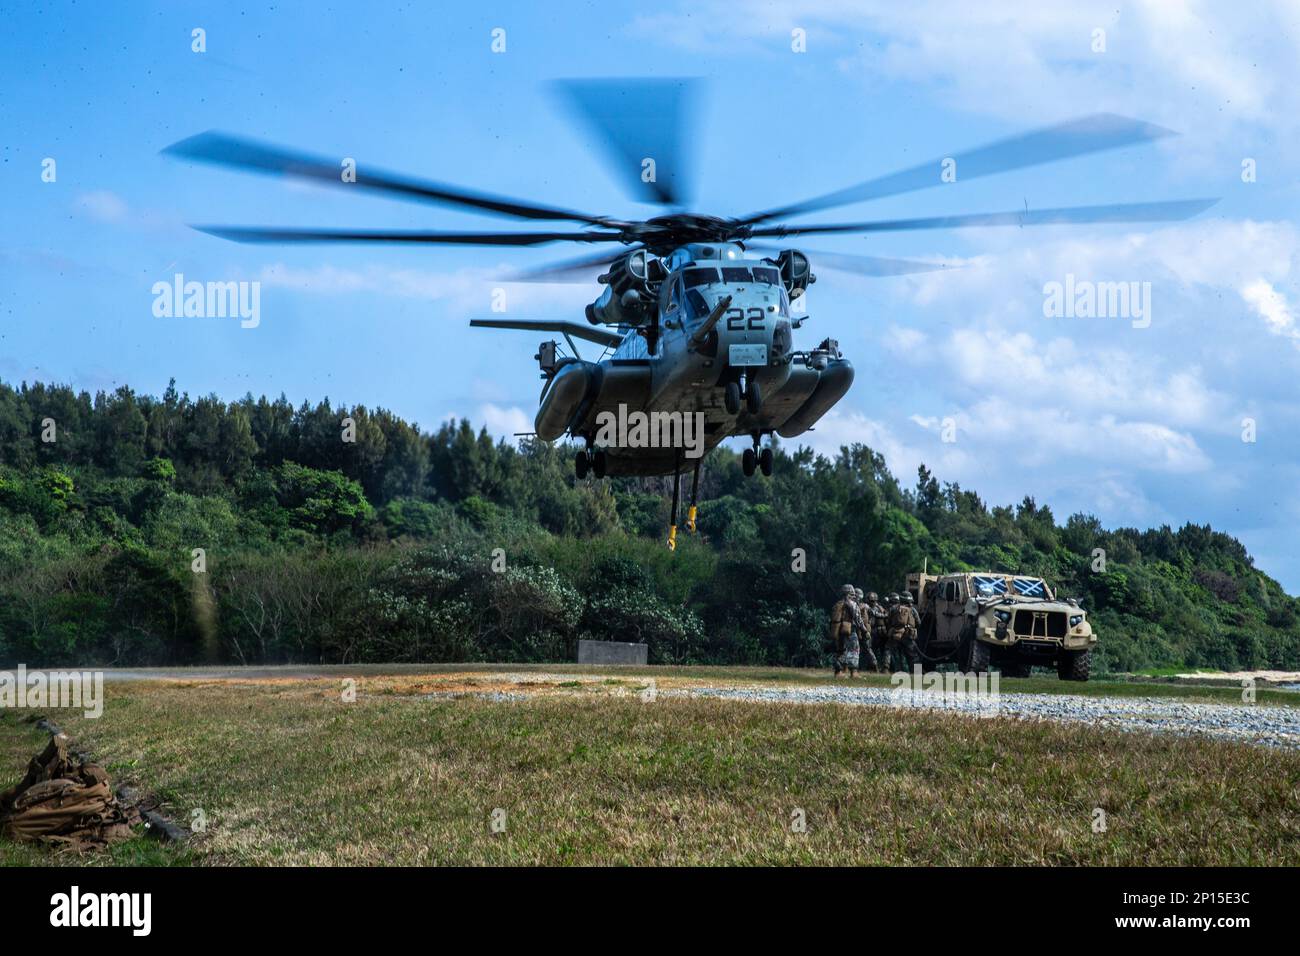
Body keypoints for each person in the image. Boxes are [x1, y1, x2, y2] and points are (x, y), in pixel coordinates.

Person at [828, 585, 859, 677]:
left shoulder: (837, 604)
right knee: (854, 649)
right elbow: (857, 619)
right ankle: (854, 672)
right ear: (850, 593)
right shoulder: (852, 604)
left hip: (838, 629)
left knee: (840, 650)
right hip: (850, 630)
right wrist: (864, 630)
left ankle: (838, 672)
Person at [853, 588, 879, 672]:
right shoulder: (861, 605)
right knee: (863, 649)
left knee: (865, 648)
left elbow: (875, 614)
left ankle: (873, 664)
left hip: (863, 629)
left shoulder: (861, 606)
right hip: (862, 629)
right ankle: (858, 667)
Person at [865, 591, 888, 673]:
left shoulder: (871, 608)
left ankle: (875, 667)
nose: (873, 602)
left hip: (874, 631)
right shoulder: (880, 607)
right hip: (881, 631)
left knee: (871, 649)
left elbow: (878, 615)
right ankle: (881, 668)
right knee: (881, 651)